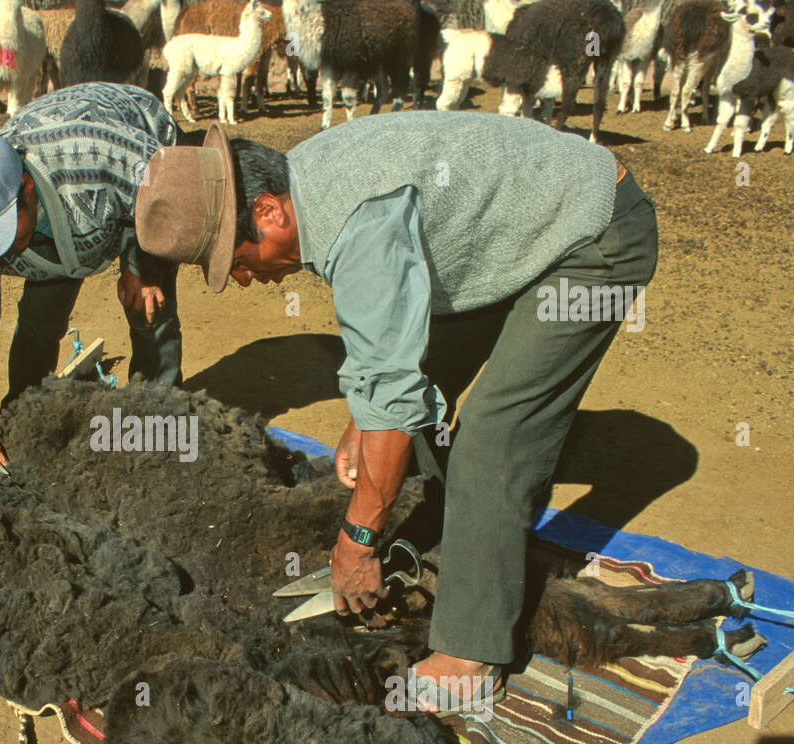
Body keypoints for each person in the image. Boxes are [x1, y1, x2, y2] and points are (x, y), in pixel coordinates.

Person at [134, 115, 658, 711]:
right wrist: (366, 418)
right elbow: (387, 346)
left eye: (238, 258)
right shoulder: (309, 181)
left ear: (271, 212)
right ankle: (456, 537)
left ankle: (471, 648)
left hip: (595, 235)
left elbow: (386, 340)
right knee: (411, 399)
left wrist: (357, 542)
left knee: (495, 437)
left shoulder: (361, 226)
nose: (248, 279)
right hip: (509, 237)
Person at [0, 82, 189, 466]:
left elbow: (164, 191)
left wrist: (142, 266)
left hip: (135, 166)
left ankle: (158, 414)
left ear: (26, 187)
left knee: (148, 304)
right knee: (39, 318)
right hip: (62, 221)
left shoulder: (98, 153)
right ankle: (25, 413)